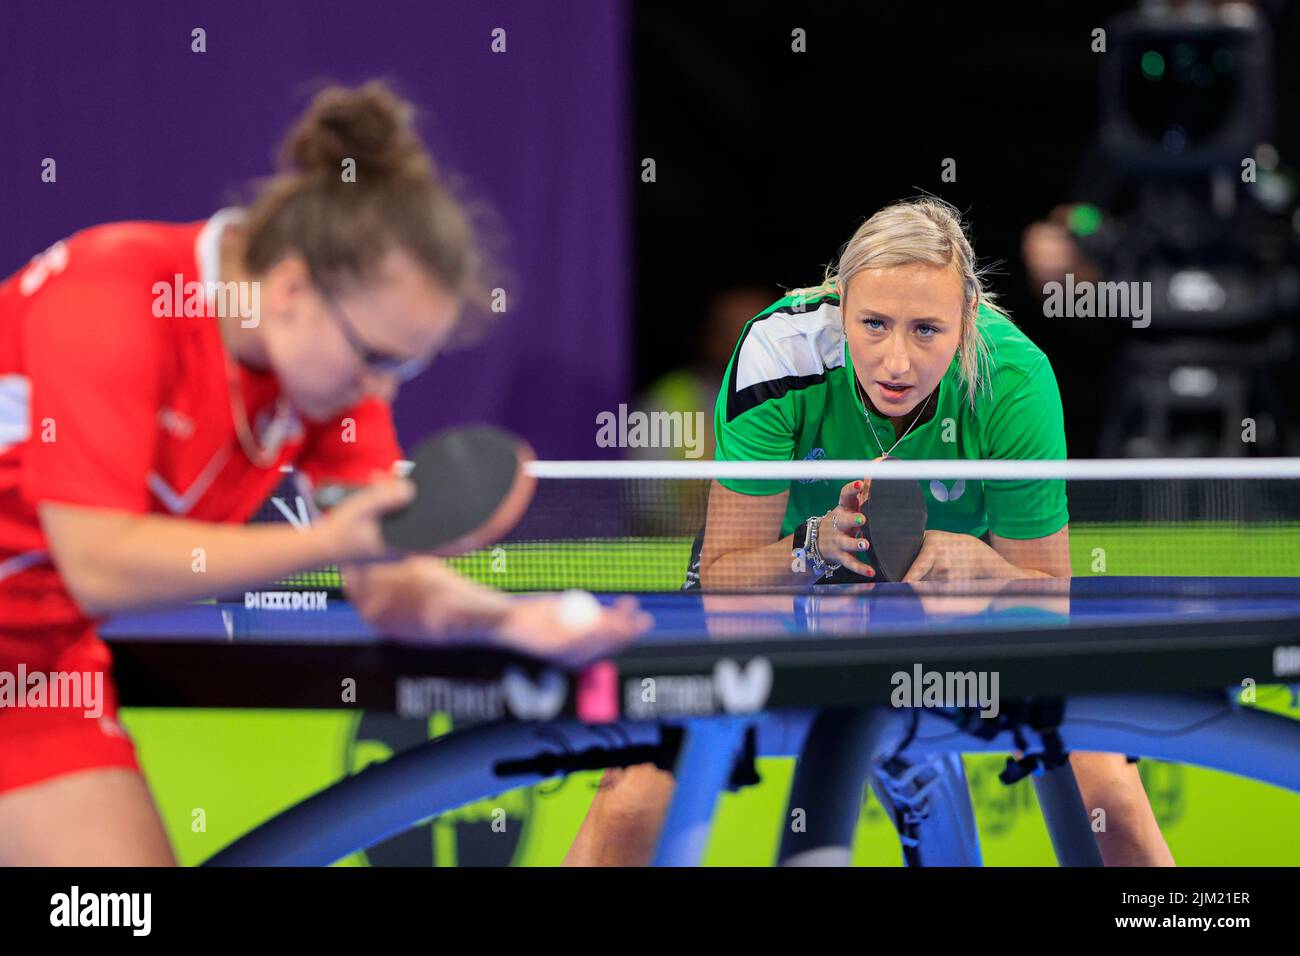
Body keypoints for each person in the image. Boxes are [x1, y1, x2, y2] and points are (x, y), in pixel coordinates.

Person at [0, 81, 648, 866]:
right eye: (376, 355)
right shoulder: (115, 296)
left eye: (406, 365)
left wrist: (509, 620)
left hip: (35, 676)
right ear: (294, 289)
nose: (382, 391)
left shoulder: (324, 378)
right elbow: (97, 562)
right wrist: (327, 542)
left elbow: (384, 581)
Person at [566, 197, 1174, 866]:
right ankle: (905, 754)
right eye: (874, 324)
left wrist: (984, 569)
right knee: (633, 795)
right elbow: (723, 578)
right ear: (840, 303)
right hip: (783, 578)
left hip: (951, 600)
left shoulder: (1014, 380)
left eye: (927, 330)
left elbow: (1048, 594)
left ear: (968, 316)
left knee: (1111, 792)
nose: (896, 361)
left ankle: (909, 752)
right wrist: (812, 548)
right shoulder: (779, 353)